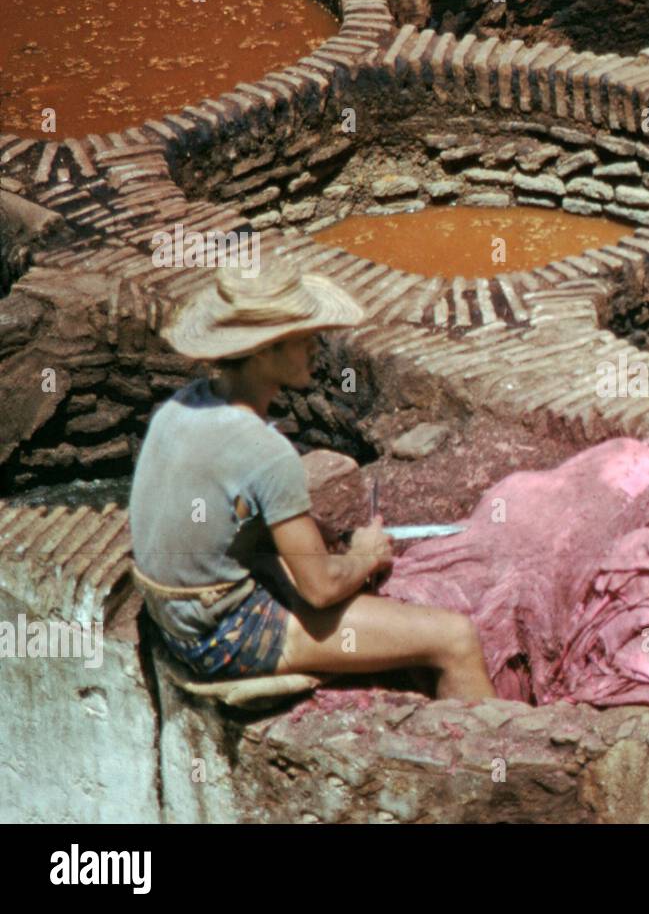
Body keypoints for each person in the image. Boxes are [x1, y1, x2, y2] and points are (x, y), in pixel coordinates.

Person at [128, 250, 495, 699]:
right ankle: (482, 759)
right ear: (266, 350)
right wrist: (366, 556)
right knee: (455, 638)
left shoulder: (181, 405)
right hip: (221, 636)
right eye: (303, 338)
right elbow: (319, 590)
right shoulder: (265, 451)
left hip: (172, 617)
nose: (315, 349)